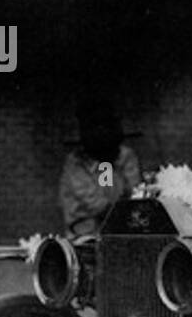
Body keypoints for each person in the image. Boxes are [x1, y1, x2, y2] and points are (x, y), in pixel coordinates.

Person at [60, 98, 142, 237]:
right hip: (85, 238)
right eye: (96, 127)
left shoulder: (123, 156)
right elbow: (101, 206)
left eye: (109, 125)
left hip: (119, 233)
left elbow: (136, 194)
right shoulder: (76, 165)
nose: (103, 133)